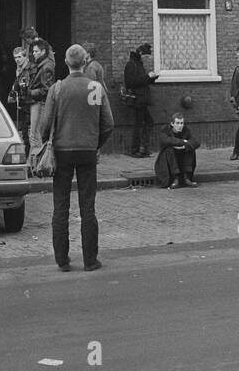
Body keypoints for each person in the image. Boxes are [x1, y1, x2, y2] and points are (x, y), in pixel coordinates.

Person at [38, 43, 114, 271]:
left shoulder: (57, 88)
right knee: (87, 207)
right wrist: (95, 143)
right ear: (85, 61)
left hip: (62, 152)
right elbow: (109, 123)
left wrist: (47, 142)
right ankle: (90, 260)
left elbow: (45, 124)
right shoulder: (95, 87)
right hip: (87, 152)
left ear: (66, 63)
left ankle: (62, 260)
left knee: (60, 207)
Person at [25, 37, 55, 170]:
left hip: (40, 103)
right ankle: (33, 164)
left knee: (35, 134)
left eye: (36, 51)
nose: (34, 53)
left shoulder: (46, 66)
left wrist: (30, 92)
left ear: (43, 51)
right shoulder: (41, 64)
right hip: (37, 102)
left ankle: (36, 165)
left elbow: (46, 89)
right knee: (34, 134)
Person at [124, 42, 157, 158]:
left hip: (142, 99)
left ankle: (142, 148)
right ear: (141, 53)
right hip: (137, 99)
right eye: (146, 56)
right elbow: (130, 83)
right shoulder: (131, 65)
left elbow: (141, 81)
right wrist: (147, 77)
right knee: (141, 124)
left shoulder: (139, 64)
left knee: (146, 123)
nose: (147, 59)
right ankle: (137, 150)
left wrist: (152, 78)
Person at [155, 113, 201, 189]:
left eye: (181, 123)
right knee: (169, 149)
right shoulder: (165, 130)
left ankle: (186, 178)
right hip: (168, 162)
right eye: (177, 123)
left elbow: (196, 142)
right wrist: (183, 142)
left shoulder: (186, 130)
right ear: (172, 124)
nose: (180, 126)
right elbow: (166, 140)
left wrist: (184, 147)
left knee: (190, 148)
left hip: (181, 159)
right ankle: (175, 179)